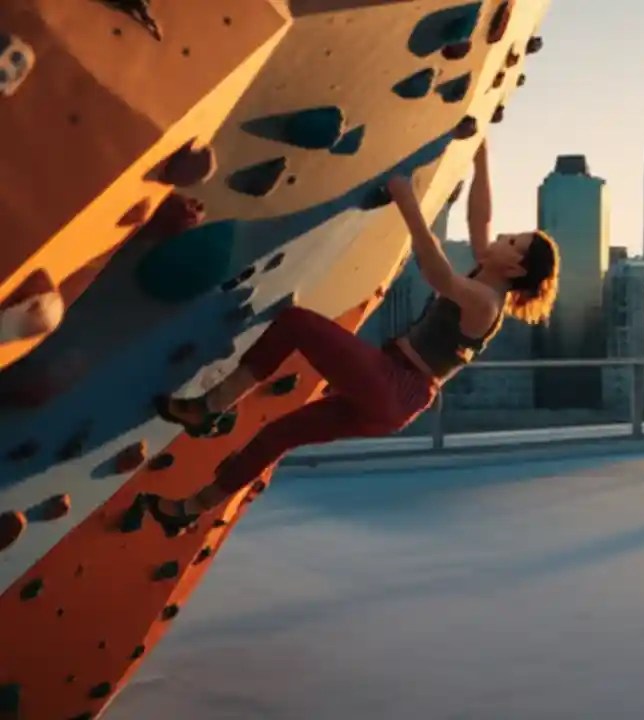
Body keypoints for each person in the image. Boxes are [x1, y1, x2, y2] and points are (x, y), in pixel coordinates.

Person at [136, 141, 560, 536]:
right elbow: (479, 218)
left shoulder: (486, 302)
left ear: (517, 269)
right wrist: (481, 152)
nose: (502, 237)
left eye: (512, 241)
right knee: (277, 436)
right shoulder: (488, 276)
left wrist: (406, 200)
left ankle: (212, 406)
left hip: (396, 384)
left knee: (297, 324)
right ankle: (189, 510)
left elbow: (439, 275)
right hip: (392, 396)